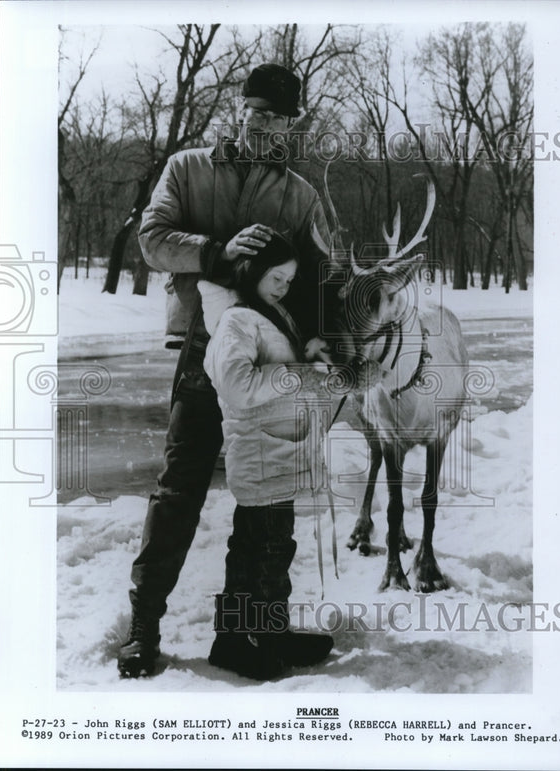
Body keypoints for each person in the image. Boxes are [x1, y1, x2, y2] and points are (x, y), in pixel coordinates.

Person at [118, 63, 334, 678]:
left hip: (268, 356)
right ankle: (143, 625)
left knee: (269, 492)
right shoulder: (188, 167)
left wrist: (319, 339)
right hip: (200, 346)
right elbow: (153, 239)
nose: (270, 129)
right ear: (241, 109)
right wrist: (216, 252)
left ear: (293, 127)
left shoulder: (301, 196)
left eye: (283, 120)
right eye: (260, 113)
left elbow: (316, 279)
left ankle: (254, 631)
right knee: (181, 484)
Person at [203, 232, 333, 680]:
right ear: (253, 271)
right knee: (257, 551)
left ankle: (269, 632)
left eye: (290, 279)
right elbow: (238, 386)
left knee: (274, 548)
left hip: (280, 452)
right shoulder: (236, 320)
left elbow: (277, 363)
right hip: (259, 453)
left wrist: (308, 353)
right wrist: (297, 374)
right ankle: (237, 642)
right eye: (276, 276)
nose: (283, 286)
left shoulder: (268, 314)